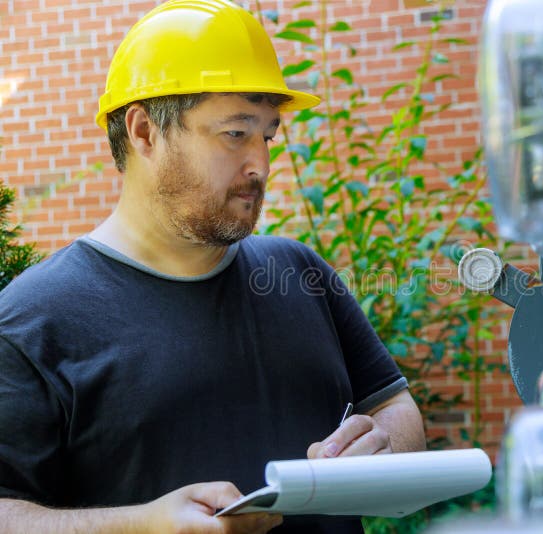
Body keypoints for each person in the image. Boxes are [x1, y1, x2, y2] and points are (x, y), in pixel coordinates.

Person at [0, 0, 426, 532]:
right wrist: (139, 526)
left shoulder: (300, 271)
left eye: (267, 134)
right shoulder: (32, 319)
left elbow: (396, 409)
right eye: (235, 133)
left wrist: (383, 449)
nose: (261, 165)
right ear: (144, 132)